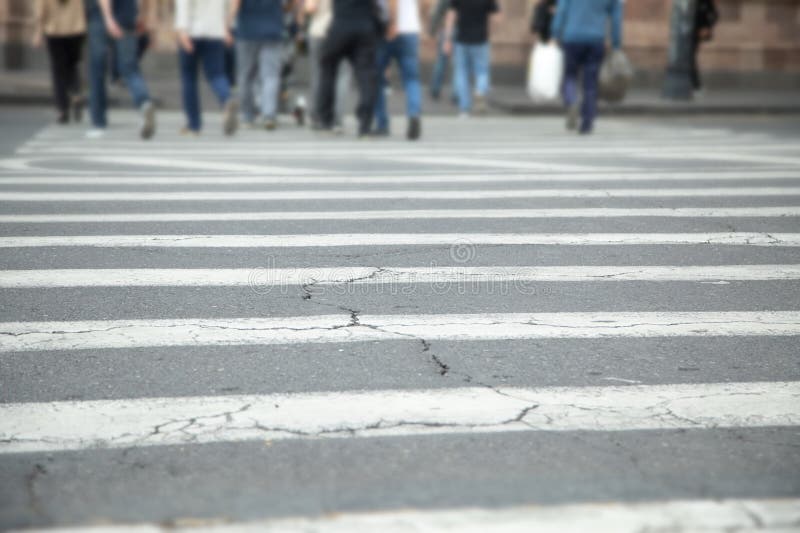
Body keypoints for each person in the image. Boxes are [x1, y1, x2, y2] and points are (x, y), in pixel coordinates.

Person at [84, 0, 156, 139]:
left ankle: (98, 122)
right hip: (127, 15)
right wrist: (139, 17)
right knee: (130, 68)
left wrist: (108, 18)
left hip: (102, 17)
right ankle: (144, 103)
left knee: (97, 70)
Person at [551, 0, 622, 134]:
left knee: (570, 76)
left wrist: (555, 33)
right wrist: (616, 43)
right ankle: (587, 122)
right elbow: (616, 18)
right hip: (596, 40)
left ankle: (571, 101)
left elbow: (561, 11)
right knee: (590, 84)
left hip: (572, 38)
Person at [316, 0, 381, 137]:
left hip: (340, 26)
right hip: (365, 27)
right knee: (366, 75)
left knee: (328, 68)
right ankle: (365, 124)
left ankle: (326, 120)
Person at [174, 0, 239, 136]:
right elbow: (230, 4)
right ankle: (226, 98)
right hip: (215, 31)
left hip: (191, 31)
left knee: (189, 78)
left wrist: (182, 31)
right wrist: (226, 27)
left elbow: (183, 5)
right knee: (217, 74)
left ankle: (194, 124)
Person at [373, 0, 423, 140]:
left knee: (377, 79)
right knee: (411, 79)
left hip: (390, 31)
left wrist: (392, 23)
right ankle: (414, 113)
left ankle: (382, 123)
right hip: (411, 29)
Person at [232, 0, 284, 130]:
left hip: (247, 30)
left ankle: (248, 115)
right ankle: (269, 114)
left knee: (245, 75)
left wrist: (228, 23)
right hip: (273, 29)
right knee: (271, 75)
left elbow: (236, 3)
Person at [32, 0, 86, 125]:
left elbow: (41, 10)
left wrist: (38, 33)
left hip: (55, 30)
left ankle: (62, 109)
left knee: (58, 71)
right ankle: (75, 92)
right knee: (72, 65)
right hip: (76, 29)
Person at [444, 0, 500, 117]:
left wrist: (448, 38)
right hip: (481, 38)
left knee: (461, 72)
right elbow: (496, 18)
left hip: (462, 39)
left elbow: (451, 15)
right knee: (482, 70)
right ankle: (480, 90)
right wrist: (490, 33)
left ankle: (464, 108)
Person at [306, 0, 351, 131]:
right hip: (344, 30)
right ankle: (337, 118)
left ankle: (318, 114)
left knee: (319, 74)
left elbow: (311, 7)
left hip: (319, 31)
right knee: (342, 76)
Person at [428, 0, 452, 102]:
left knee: (441, 61)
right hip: (463, 32)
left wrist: (432, 32)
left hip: (445, 30)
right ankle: (457, 93)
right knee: (459, 65)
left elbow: (436, 14)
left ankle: (435, 89)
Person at [692, 0, 718, 94]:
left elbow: (714, 15)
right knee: (689, 58)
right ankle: (695, 85)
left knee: (690, 58)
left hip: (697, 33)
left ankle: (695, 85)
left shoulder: (705, 2)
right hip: (686, 33)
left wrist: (707, 27)